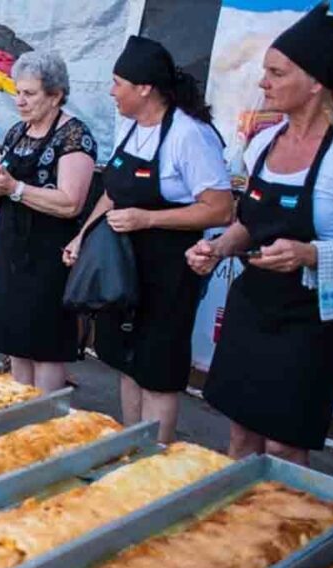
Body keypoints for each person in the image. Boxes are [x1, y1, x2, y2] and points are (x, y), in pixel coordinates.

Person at [188, 5, 333, 465]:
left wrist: (309, 254)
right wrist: (219, 246)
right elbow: (249, 221)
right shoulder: (264, 141)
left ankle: (283, 530)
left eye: (276, 73)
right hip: (253, 305)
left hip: (312, 320)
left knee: (284, 443)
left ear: (316, 82)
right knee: (241, 430)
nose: (263, 82)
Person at [64, 36, 233, 443]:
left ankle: (156, 457)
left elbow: (219, 208)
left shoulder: (189, 135)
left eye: (118, 82)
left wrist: (148, 218)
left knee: (157, 372)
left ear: (144, 88)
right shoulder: (132, 128)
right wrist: (82, 235)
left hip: (169, 269)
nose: (111, 91)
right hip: (126, 265)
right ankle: (130, 445)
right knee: (127, 362)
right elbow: (112, 192)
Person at [0, 51, 97, 392]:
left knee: (44, 347)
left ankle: (47, 422)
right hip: (12, 250)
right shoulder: (17, 132)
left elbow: (71, 202)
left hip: (48, 256)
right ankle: (22, 417)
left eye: (30, 94)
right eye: (17, 92)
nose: (20, 101)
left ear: (56, 95)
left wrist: (14, 187)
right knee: (16, 344)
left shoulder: (74, 136)